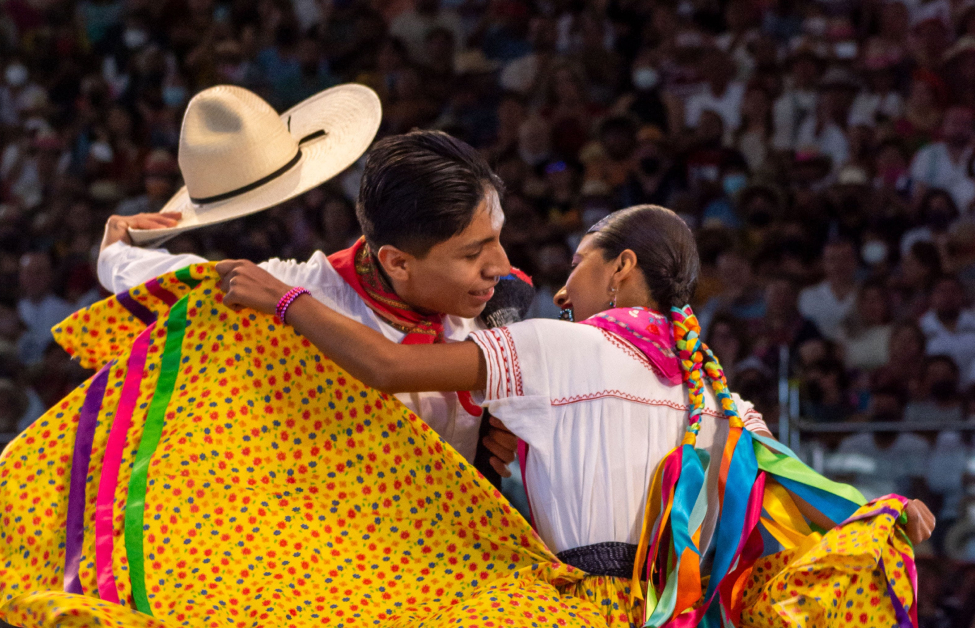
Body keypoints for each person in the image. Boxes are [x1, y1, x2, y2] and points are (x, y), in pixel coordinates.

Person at [219, 204, 935, 625]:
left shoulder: (556, 348)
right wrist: (877, 514)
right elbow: (792, 507)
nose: (560, 292)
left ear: (620, 268)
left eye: (576, 268)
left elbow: (389, 367)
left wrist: (283, 299)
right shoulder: (718, 399)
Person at [98, 85, 516, 470]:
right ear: (397, 262)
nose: (500, 266)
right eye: (473, 252)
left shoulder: (508, 302)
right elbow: (155, 277)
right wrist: (118, 253)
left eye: (496, 238)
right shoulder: (281, 295)